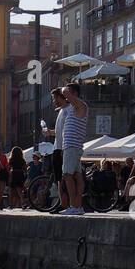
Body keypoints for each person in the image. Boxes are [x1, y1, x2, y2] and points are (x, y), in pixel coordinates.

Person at [59, 82, 89, 215]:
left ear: (74, 94)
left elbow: (64, 92)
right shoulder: (73, 107)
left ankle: (73, 206)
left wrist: (64, 87)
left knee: (67, 175)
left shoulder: (80, 105)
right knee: (77, 176)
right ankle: (78, 206)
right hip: (72, 146)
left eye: (69, 93)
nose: (66, 97)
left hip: (72, 146)